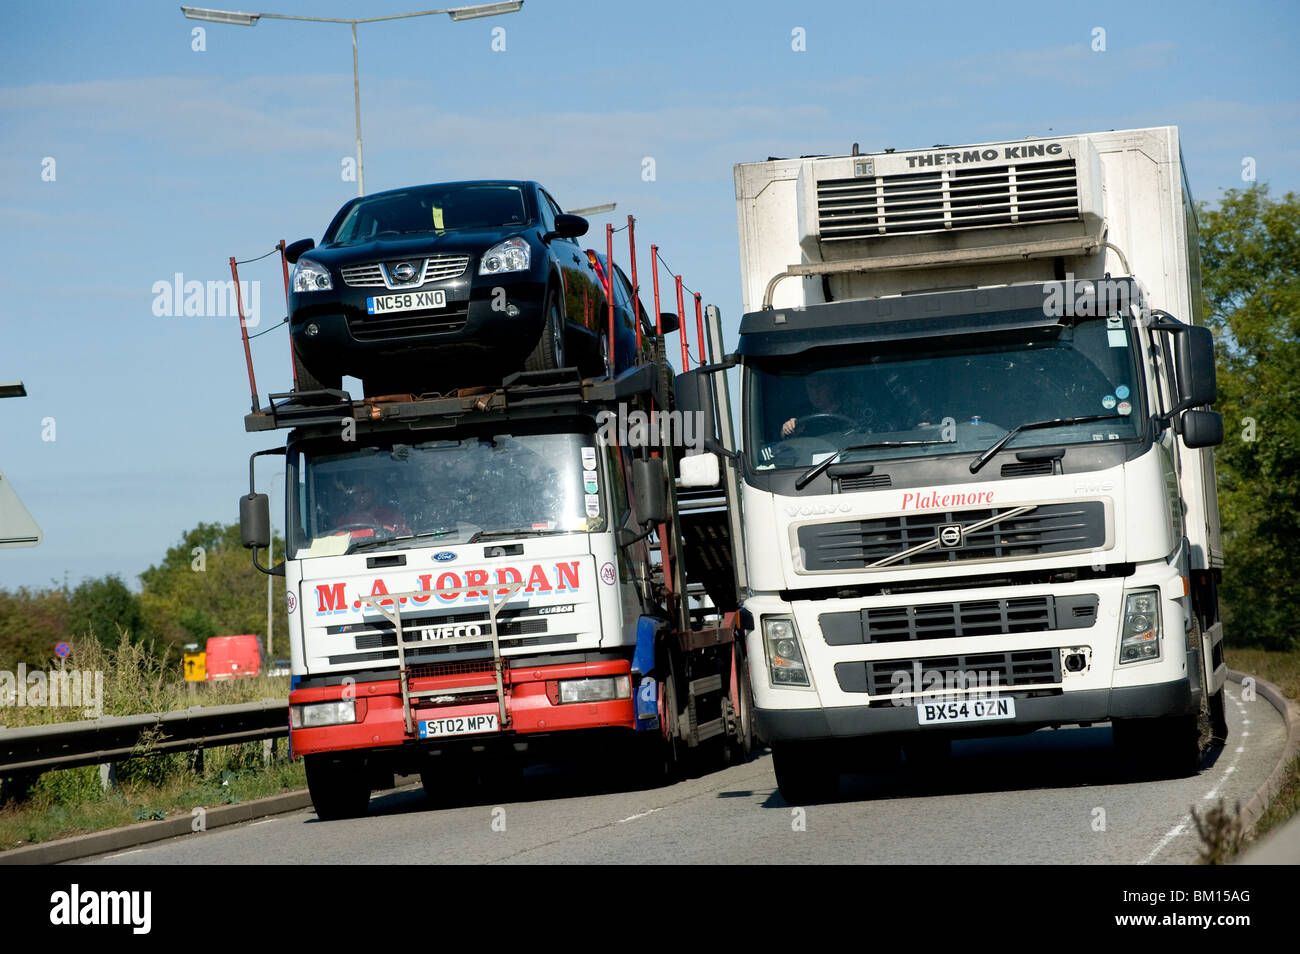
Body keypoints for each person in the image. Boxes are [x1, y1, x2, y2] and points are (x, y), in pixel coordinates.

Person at [781, 373, 866, 437]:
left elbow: (868, 435)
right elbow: (785, 443)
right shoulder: (802, 413)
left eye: (820, 385)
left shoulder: (853, 409)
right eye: (811, 386)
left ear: (833, 385)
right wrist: (787, 429)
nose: (815, 392)